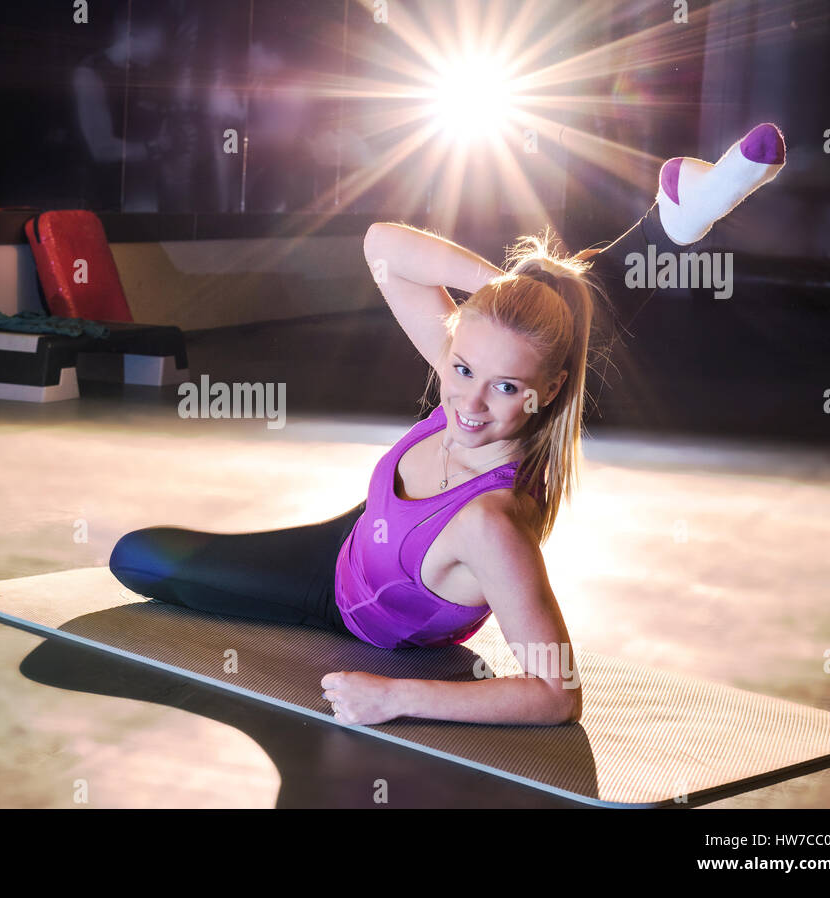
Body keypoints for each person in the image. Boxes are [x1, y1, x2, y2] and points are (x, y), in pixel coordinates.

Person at [108, 123, 787, 728]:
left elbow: (556, 694)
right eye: (462, 368)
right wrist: (505, 297)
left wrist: (396, 698)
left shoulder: (492, 524)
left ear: (544, 395)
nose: (468, 406)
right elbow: (383, 247)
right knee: (560, 321)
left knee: (137, 556)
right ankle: (673, 222)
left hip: (340, 597)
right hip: (356, 532)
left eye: (505, 387)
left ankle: (670, 226)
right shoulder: (471, 376)